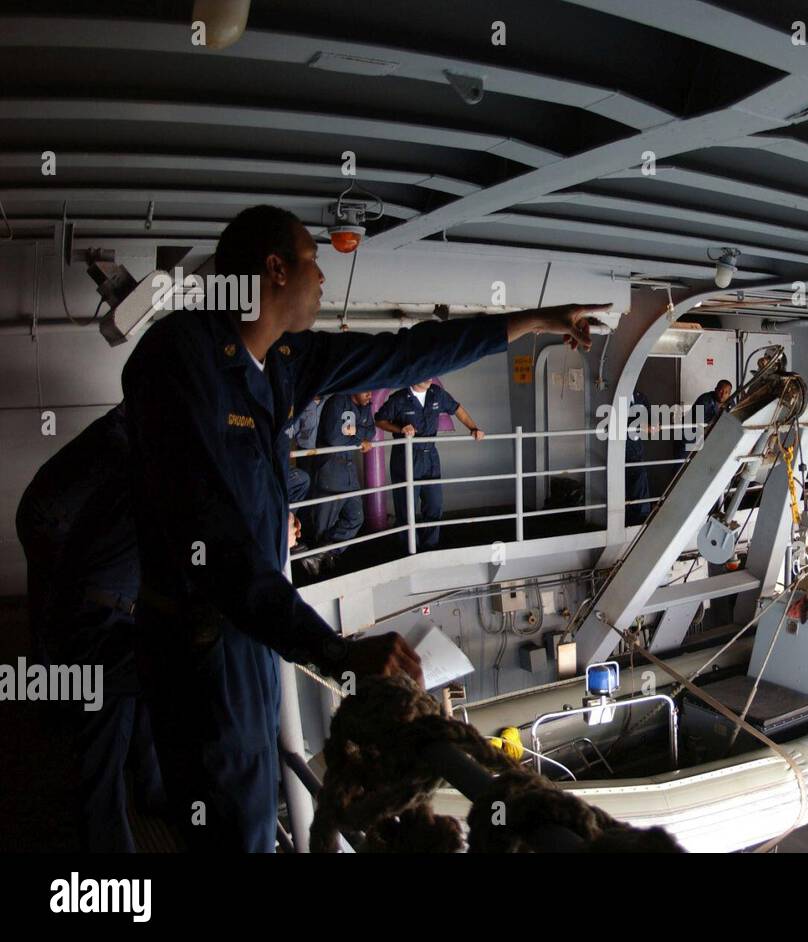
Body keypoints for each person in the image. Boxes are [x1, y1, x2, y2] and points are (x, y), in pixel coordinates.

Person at [119, 204, 604, 851]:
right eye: (313, 262)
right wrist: (333, 650)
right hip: (203, 637)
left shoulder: (280, 361)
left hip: (247, 628)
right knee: (228, 816)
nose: (324, 278)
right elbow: (214, 545)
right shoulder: (183, 360)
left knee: (252, 805)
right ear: (275, 270)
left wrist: (538, 322)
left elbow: (406, 356)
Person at [15, 405, 164, 852]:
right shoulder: (125, 449)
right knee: (105, 676)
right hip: (58, 540)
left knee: (119, 678)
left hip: (62, 542)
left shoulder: (127, 435)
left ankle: (144, 785)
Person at [375, 379, 485, 552]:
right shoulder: (399, 398)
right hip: (406, 456)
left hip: (430, 456)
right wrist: (400, 429)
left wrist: (473, 428)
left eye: (430, 375)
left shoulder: (436, 393)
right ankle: (409, 549)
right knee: (406, 507)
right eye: (424, 374)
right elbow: (379, 420)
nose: (429, 378)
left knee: (434, 504)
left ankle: (430, 546)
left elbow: (457, 409)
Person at [302, 391, 376, 576]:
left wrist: (356, 429)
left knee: (355, 517)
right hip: (331, 468)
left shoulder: (363, 406)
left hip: (347, 467)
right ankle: (317, 572)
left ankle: (321, 555)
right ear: (355, 388)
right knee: (323, 524)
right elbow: (335, 439)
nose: (370, 395)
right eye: (366, 391)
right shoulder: (337, 402)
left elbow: (371, 431)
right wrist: (360, 437)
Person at [625, 389, 653, 524]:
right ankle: (634, 514)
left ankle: (641, 514)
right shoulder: (616, 395)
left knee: (639, 477)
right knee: (632, 479)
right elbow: (613, 420)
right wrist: (639, 425)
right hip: (620, 447)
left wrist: (653, 424)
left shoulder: (639, 395)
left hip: (635, 447)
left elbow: (650, 413)